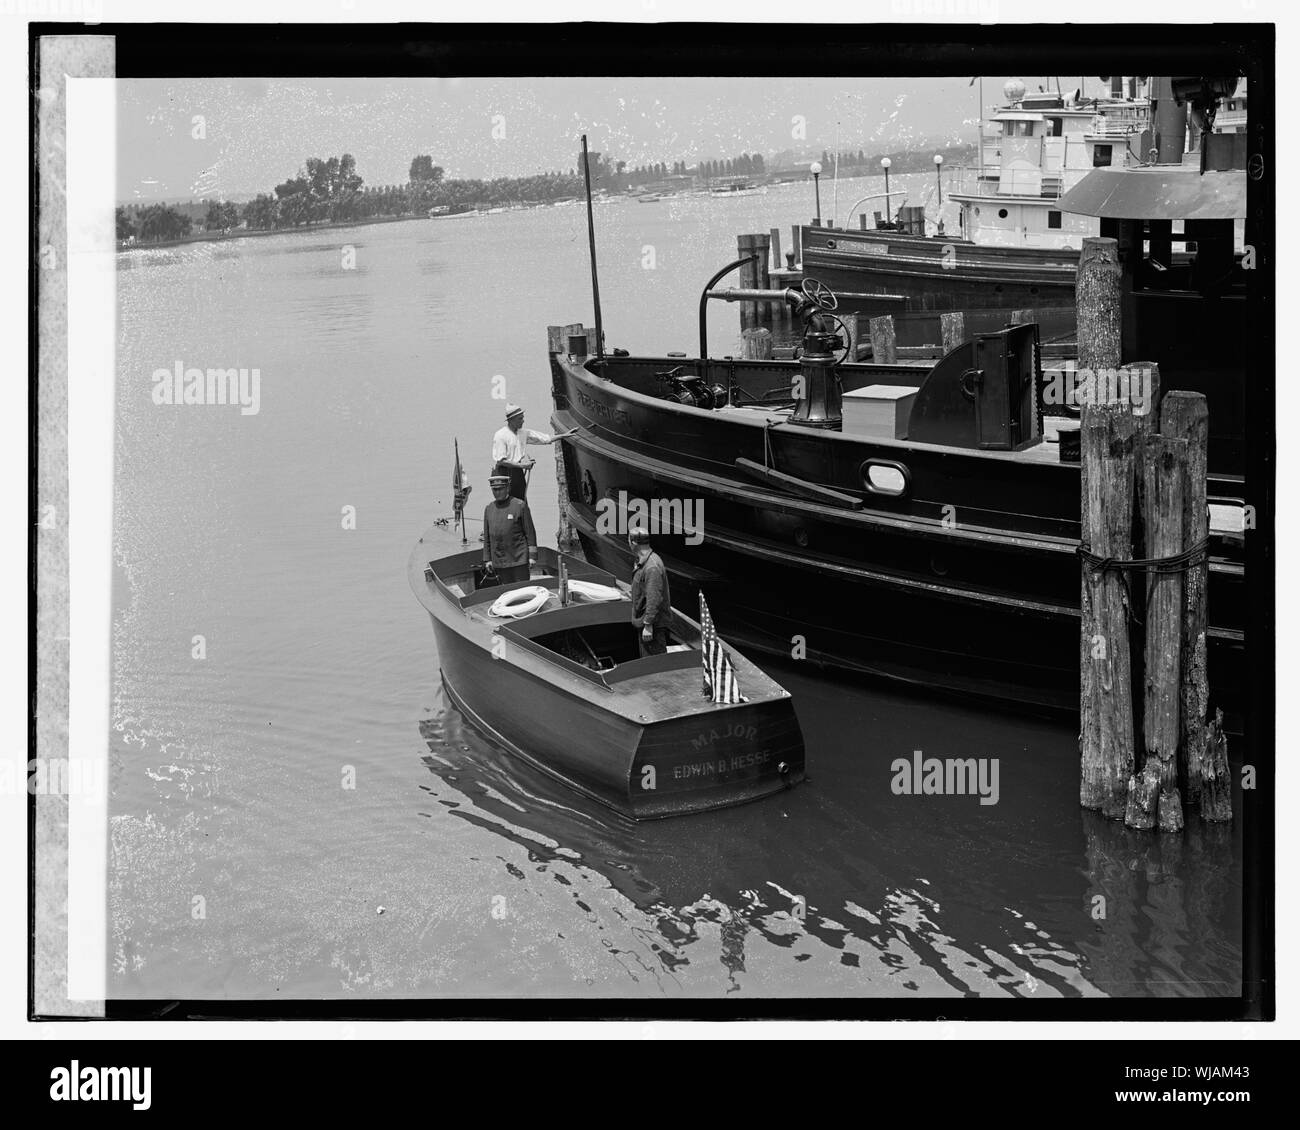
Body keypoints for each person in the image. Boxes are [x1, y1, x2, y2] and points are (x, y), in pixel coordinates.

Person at [491, 404, 574, 497]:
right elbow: (501, 461)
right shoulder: (500, 435)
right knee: (506, 501)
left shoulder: (523, 433)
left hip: (517, 472)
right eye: (520, 418)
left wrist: (563, 435)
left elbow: (544, 438)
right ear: (511, 420)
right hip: (503, 473)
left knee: (521, 500)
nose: (523, 421)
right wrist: (522, 465)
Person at [482, 474, 537, 585]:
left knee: (522, 590)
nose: (497, 492)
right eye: (495, 490)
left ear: (508, 488)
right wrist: (487, 559)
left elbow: (530, 533)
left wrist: (532, 557)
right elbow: (487, 537)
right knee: (507, 592)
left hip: (519, 559)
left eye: (500, 489)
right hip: (499, 560)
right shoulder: (489, 509)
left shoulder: (519, 505)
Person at [628, 523, 671, 656]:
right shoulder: (642, 561)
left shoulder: (652, 567)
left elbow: (654, 597)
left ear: (634, 543)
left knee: (654, 665)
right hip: (643, 621)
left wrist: (648, 625)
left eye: (629, 540)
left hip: (653, 627)